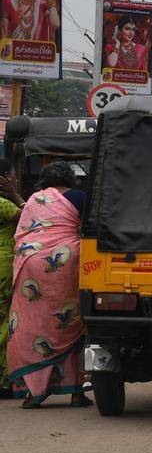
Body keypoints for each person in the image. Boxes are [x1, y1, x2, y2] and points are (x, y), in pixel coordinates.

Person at [5, 161, 89, 409]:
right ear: (70, 179)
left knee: (33, 326)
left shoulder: (34, 200)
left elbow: (26, 226)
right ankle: (76, 393)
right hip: (66, 262)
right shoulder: (79, 197)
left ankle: (33, 394)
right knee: (72, 323)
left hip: (30, 262)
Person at [0, 159, 25, 398]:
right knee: (6, 324)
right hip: (4, 269)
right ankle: (6, 382)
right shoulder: (4, 205)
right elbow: (30, 219)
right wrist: (16, 194)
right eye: (13, 175)